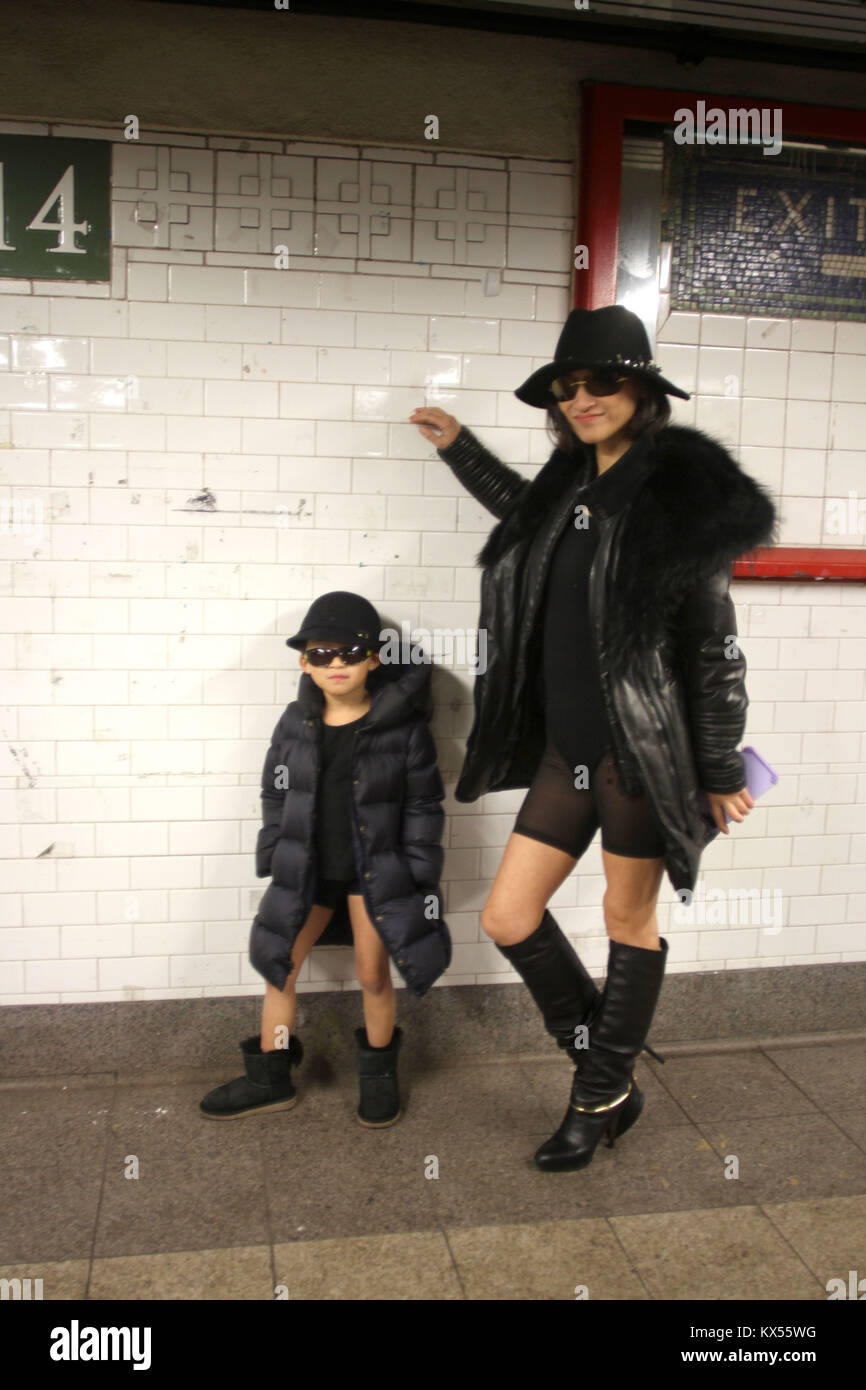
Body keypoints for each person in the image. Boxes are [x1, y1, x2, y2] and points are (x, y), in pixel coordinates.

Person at [410, 304, 777, 1173]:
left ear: (642, 391)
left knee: (627, 921)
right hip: (566, 752)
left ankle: (594, 1099)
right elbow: (522, 517)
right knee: (508, 916)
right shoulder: (569, 486)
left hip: (640, 755)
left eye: (601, 383)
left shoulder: (673, 498)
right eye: (568, 388)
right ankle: (606, 1071)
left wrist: (721, 766)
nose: (582, 399)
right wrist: (460, 445)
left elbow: (714, 649)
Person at [200, 591, 450, 1128]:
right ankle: (271, 1077)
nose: (335, 663)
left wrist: (418, 874)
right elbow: (276, 789)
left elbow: (425, 806)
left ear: (374, 659)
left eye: (350, 651)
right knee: (279, 965)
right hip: (309, 871)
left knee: (372, 974)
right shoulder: (295, 723)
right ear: (303, 662)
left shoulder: (403, 729)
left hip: (372, 875)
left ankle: (379, 1078)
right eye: (320, 654)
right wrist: (273, 849)